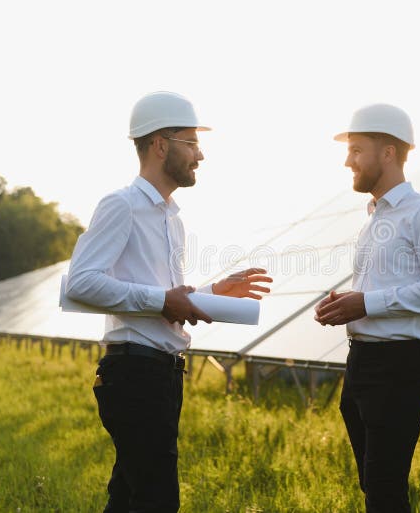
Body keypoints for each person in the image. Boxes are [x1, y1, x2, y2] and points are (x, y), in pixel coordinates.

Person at [66, 91, 272, 512]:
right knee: (157, 500)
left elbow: (166, 300)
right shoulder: (121, 206)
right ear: (161, 144)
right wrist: (162, 301)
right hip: (134, 373)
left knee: (128, 497)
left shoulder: (170, 218)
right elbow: (82, 283)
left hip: (161, 375)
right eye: (192, 143)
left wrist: (212, 294)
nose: (201, 155)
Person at [314, 103, 420, 513]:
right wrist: (346, 305)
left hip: (401, 365)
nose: (348, 161)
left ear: (388, 153)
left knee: (384, 489)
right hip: (361, 363)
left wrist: (366, 302)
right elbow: (383, 291)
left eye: (357, 150)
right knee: (373, 484)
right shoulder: (373, 219)